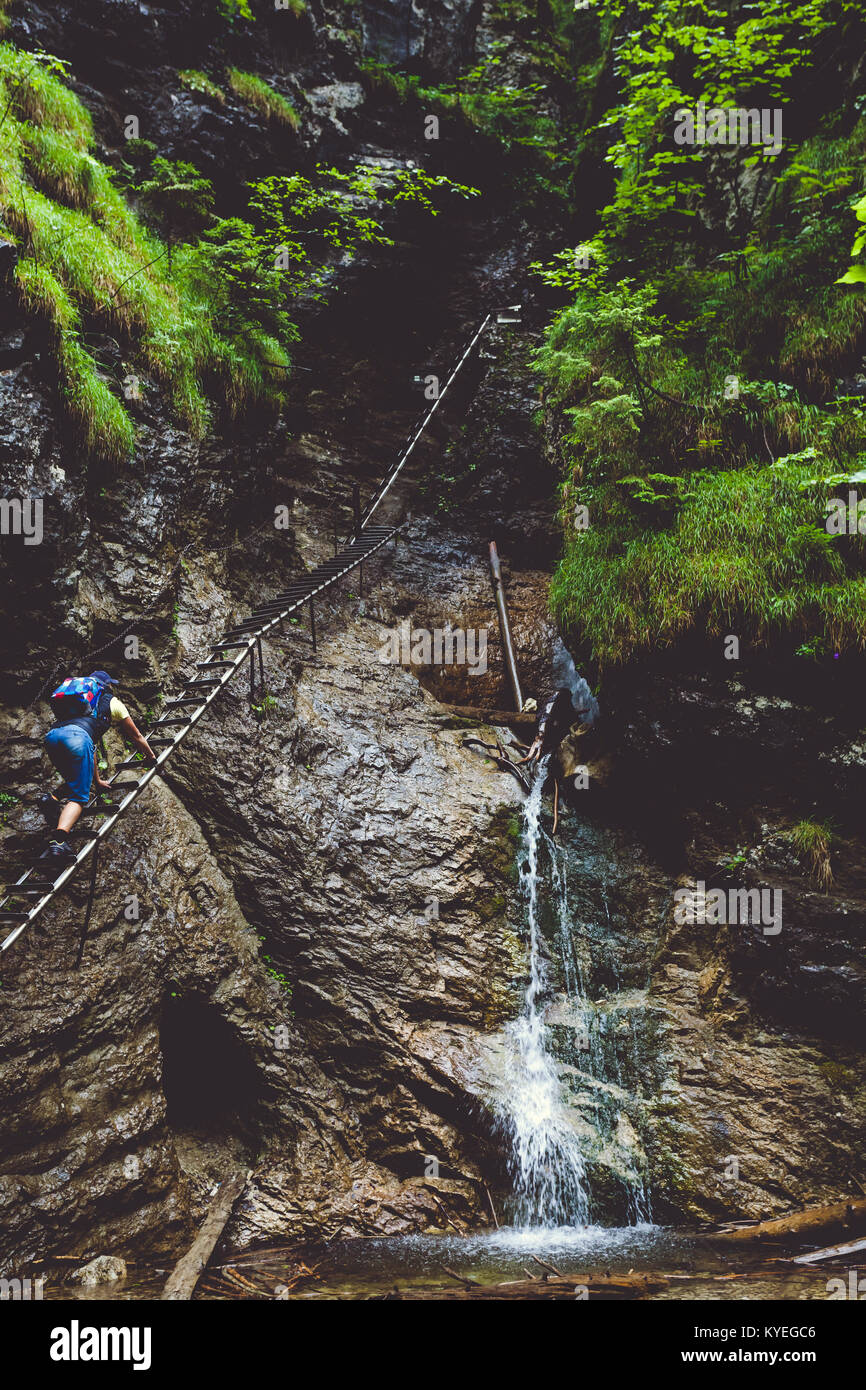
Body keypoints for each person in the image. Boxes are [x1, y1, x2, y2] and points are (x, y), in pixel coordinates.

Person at [40, 670, 156, 862]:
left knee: (76, 779)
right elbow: (136, 736)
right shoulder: (113, 703)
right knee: (79, 796)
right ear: (107, 685)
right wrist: (151, 757)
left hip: (53, 737)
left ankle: (51, 798)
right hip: (77, 739)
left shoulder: (80, 704)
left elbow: (91, 750)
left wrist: (97, 779)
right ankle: (59, 843)